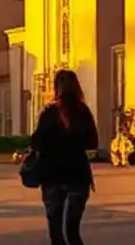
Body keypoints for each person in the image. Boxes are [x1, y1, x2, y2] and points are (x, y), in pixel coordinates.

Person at [29, 69, 99, 245]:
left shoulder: (49, 112)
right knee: (72, 231)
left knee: (56, 231)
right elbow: (93, 142)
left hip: (52, 175)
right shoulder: (83, 112)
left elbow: (36, 142)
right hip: (77, 174)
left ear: (56, 88)